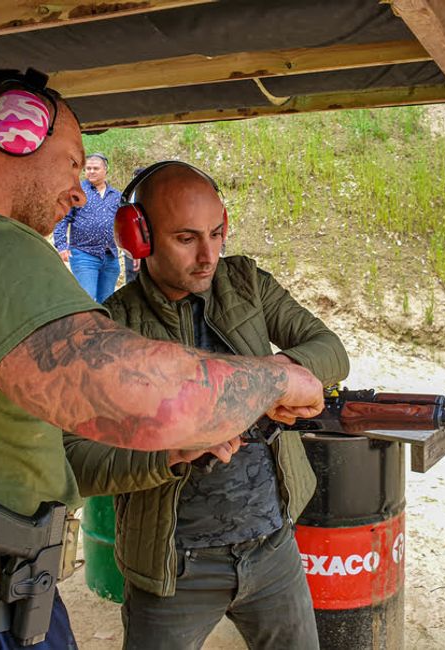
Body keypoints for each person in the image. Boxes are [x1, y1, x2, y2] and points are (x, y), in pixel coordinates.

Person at [0, 70, 324, 650]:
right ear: (16, 132)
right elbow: (152, 402)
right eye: (72, 163)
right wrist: (276, 377)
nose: (79, 191)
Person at [64, 161, 350, 650]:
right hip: (173, 566)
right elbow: (75, 461)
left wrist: (270, 378)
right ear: (139, 238)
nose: (208, 256)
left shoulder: (246, 283)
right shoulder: (112, 327)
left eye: (217, 234)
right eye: (186, 238)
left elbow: (330, 350)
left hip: (273, 547)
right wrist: (167, 453)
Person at [52, 152, 121, 302]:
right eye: (88, 168)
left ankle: (104, 319)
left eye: (95, 168)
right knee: (87, 299)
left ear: (105, 170)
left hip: (110, 256)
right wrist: (62, 245)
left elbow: (124, 223)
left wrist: (132, 251)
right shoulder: (76, 192)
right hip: (84, 254)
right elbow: (62, 219)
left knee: (108, 301)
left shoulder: (116, 195)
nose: (91, 171)